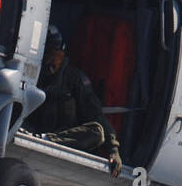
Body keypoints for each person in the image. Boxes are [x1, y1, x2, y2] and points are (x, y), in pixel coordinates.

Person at [24, 26, 123, 177]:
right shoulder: (30, 72)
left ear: (62, 53)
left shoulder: (75, 79)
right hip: (30, 129)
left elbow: (96, 115)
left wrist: (113, 149)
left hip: (62, 136)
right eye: (45, 55)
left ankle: (47, 140)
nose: (49, 60)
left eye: (53, 54)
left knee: (97, 132)